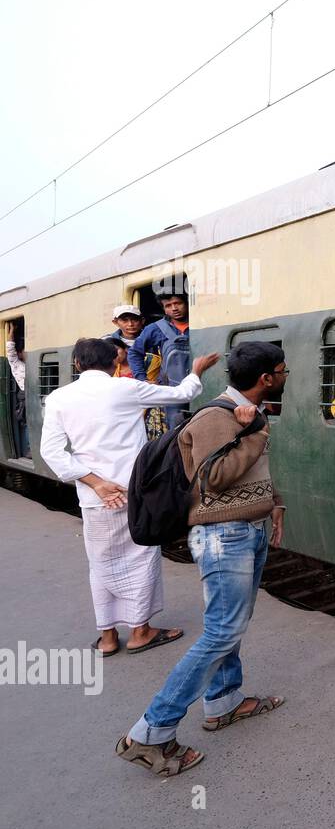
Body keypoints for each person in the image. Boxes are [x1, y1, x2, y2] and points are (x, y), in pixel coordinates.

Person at [116, 341, 289, 777]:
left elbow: (250, 470)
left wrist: (275, 502)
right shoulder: (218, 416)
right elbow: (214, 478)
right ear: (266, 377)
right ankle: (151, 732)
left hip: (246, 529)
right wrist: (255, 432)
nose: (288, 376)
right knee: (221, 631)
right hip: (223, 537)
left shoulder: (246, 414)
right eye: (283, 370)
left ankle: (224, 701)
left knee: (231, 625)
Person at [39, 338, 221, 656]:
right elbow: (183, 393)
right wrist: (196, 371)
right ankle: (141, 631)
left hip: (95, 496)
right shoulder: (126, 388)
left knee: (100, 563)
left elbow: (51, 451)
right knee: (141, 556)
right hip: (136, 490)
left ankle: (108, 638)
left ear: (78, 365)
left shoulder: (58, 398)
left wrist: (96, 483)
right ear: (115, 361)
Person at [128, 291, 191, 430]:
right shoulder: (155, 329)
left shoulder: (199, 323)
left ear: (186, 303)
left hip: (199, 385)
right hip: (171, 391)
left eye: (178, 303)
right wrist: (142, 379)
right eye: (168, 305)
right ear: (163, 308)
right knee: (176, 429)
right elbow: (134, 353)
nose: (174, 308)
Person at [4, 321, 27, 456]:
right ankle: (29, 448)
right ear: (19, 353)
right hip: (26, 399)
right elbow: (10, 351)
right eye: (25, 350)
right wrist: (11, 333)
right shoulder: (17, 365)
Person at [105, 304, 144, 378]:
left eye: (135, 319)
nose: (130, 324)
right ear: (115, 322)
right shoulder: (106, 341)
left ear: (142, 320)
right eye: (124, 320)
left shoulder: (153, 339)